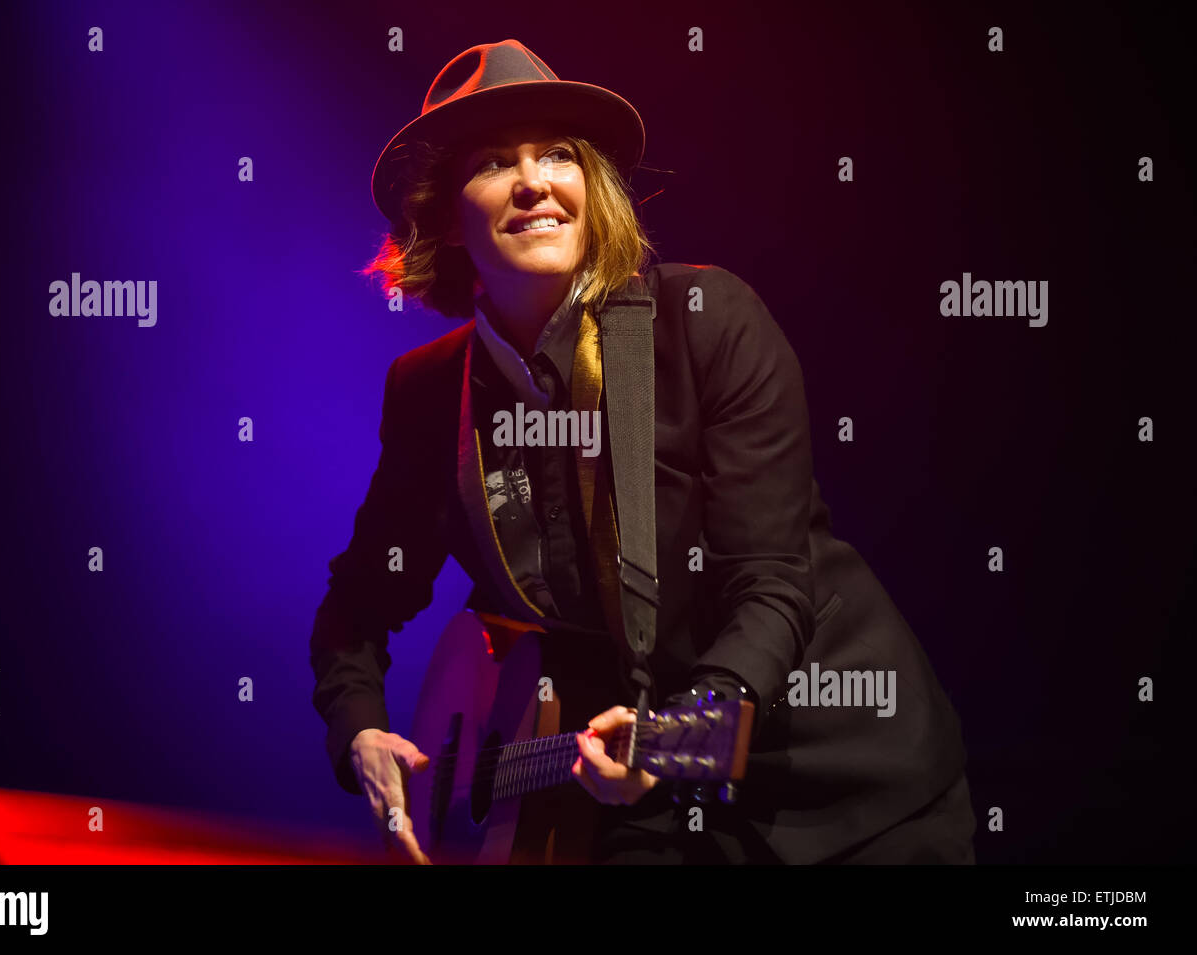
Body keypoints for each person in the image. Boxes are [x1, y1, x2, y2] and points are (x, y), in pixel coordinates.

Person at [309, 38, 976, 865]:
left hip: (846, 786)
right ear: (446, 214)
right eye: (492, 163)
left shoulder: (706, 319)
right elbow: (358, 604)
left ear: (591, 187)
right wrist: (361, 730)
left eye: (558, 154)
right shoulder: (427, 392)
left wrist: (687, 727)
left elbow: (770, 583)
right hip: (633, 800)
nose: (534, 182)